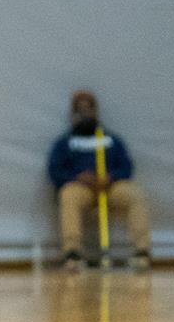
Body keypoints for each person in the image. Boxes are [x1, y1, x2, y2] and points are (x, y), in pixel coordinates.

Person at [47, 89, 151, 271]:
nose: (85, 114)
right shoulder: (65, 142)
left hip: (110, 187)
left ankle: (142, 252)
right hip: (82, 188)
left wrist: (112, 177)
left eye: (88, 109)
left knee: (134, 194)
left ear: (95, 111)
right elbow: (55, 171)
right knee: (68, 195)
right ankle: (72, 253)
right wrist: (77, 177)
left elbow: (127, 167)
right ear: (74, 114)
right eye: (80, 110)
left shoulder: (112, 140)